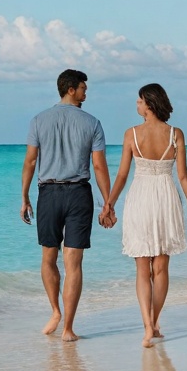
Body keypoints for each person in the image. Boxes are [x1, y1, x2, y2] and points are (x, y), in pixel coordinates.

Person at [106, 82, 187, 348]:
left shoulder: (131, 134)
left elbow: (123, 175)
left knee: (141, 269)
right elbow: (183, 175)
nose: (136, 105)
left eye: (139, 101)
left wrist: (110, 203)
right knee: (160, 268)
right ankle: (155, 321)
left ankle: (147, 327)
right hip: (165, 197)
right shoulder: (175, 134)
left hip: (140, 197)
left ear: (148, 103)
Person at [21, 69, 113, 342]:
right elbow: (98, 165)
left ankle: (55, 311)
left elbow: (30, 161)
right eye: (83, 88)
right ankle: (68, 329)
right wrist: (107, 202)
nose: (86, 93)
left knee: (49, 258)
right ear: (70, 89)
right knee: (73, 262)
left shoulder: (38, 120)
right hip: (78, 194)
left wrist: (24, 197)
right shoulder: (93, 123)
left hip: (47, 193)